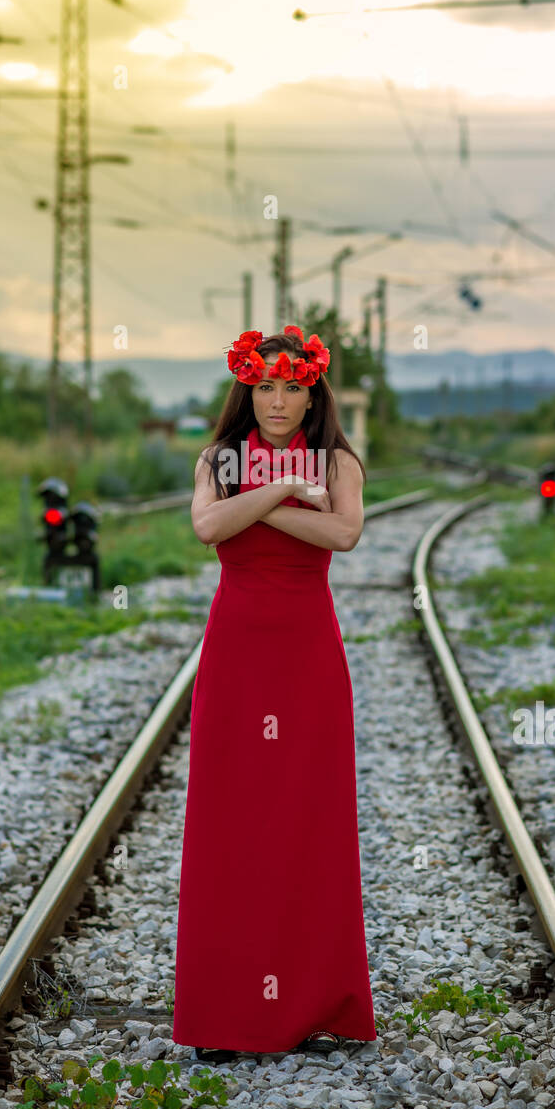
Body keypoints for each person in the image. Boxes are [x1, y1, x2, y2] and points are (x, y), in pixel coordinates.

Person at [171, 323, 377, 1064]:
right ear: (246, 390)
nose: (278, 401)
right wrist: (285, 486)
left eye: (293, 386)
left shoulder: (339, 459)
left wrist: (256, 500)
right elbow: (205, 525)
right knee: (230, 823)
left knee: (306, 823)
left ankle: (312, 1008)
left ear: (313, 391)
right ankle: (224, 1016)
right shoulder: (216, 458)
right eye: (265, 386)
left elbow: (344, 534)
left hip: (306, 658)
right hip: (235, 655)